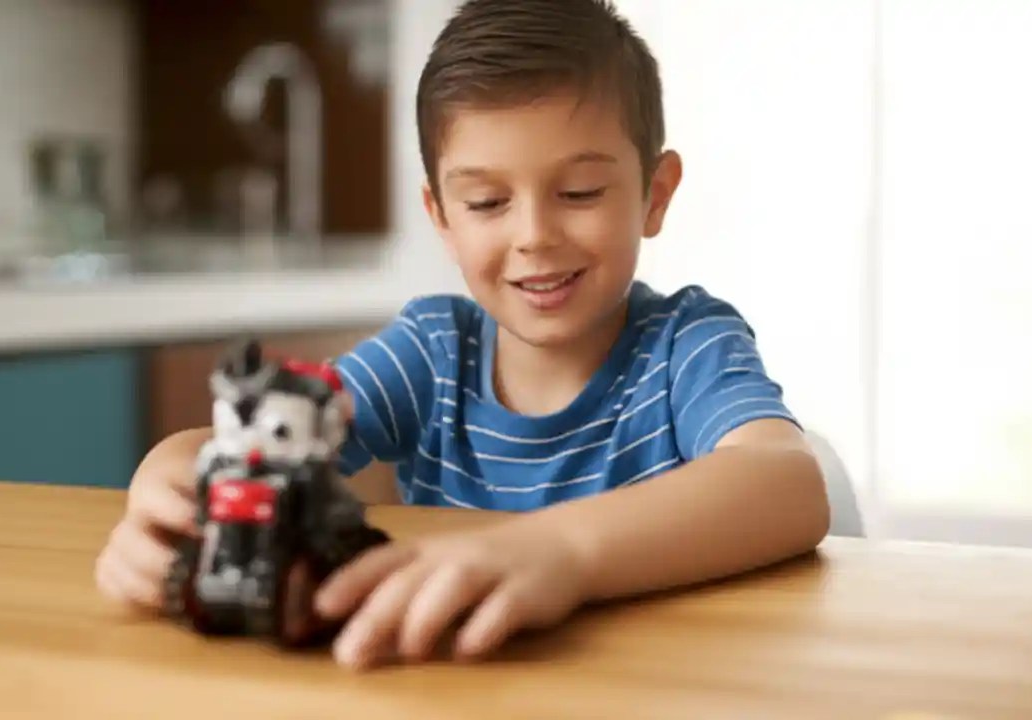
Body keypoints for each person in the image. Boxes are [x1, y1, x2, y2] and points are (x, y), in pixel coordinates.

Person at [95, 0, 830, 670]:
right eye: (486, 201)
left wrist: (560, 550)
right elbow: (262, 434)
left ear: (654, 195)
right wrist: (168, 484)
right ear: (442, 216)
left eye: (579, 193)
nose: (535, 235)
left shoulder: (687, 345)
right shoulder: (432, 353)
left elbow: (788, 484)